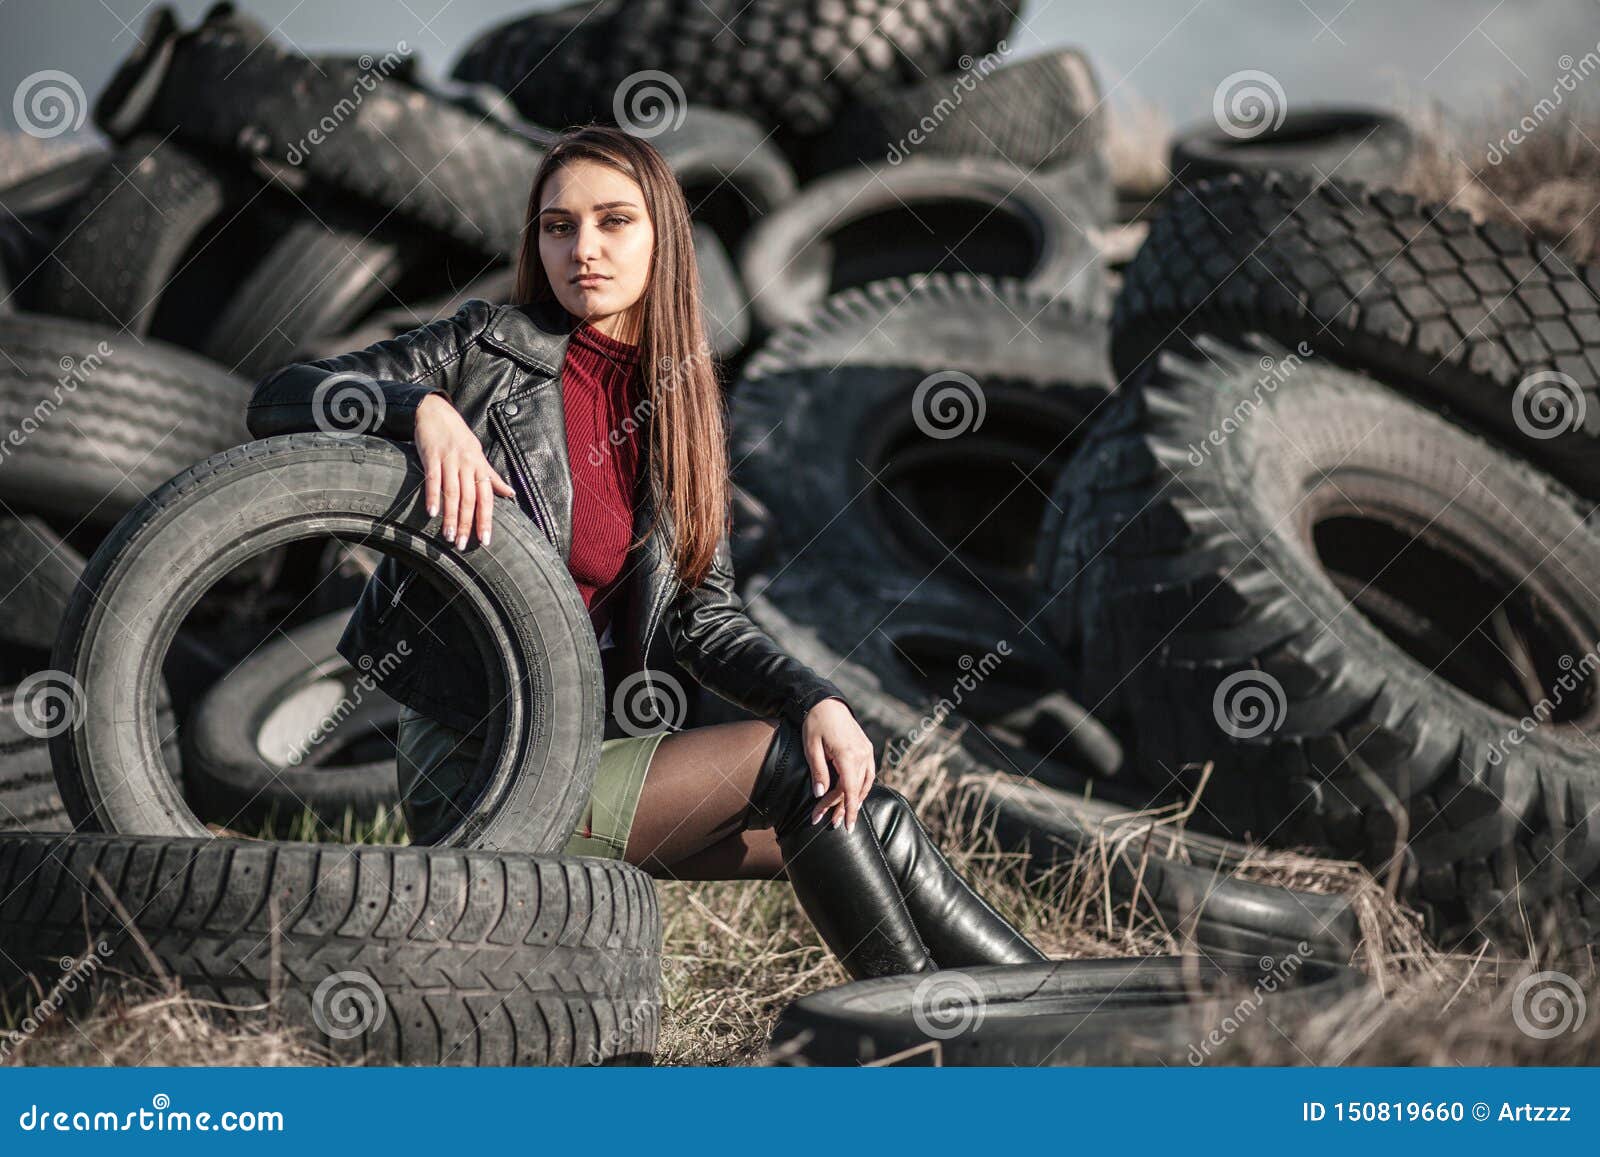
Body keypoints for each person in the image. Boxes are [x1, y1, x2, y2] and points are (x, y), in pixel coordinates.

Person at [246, 124, 1044, 980]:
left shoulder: (680, 404)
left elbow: (707, 618)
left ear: (662, 235)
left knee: (864, 812)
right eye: (559, 226)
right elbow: (282, 396)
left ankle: (1053, 1014)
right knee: (787, 769)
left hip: (585, 754)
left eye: (613, 221)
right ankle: (925, 1035)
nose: (583, 248)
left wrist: (816, 697)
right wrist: (420, 412)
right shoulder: (482, 354)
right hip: (483, 773)